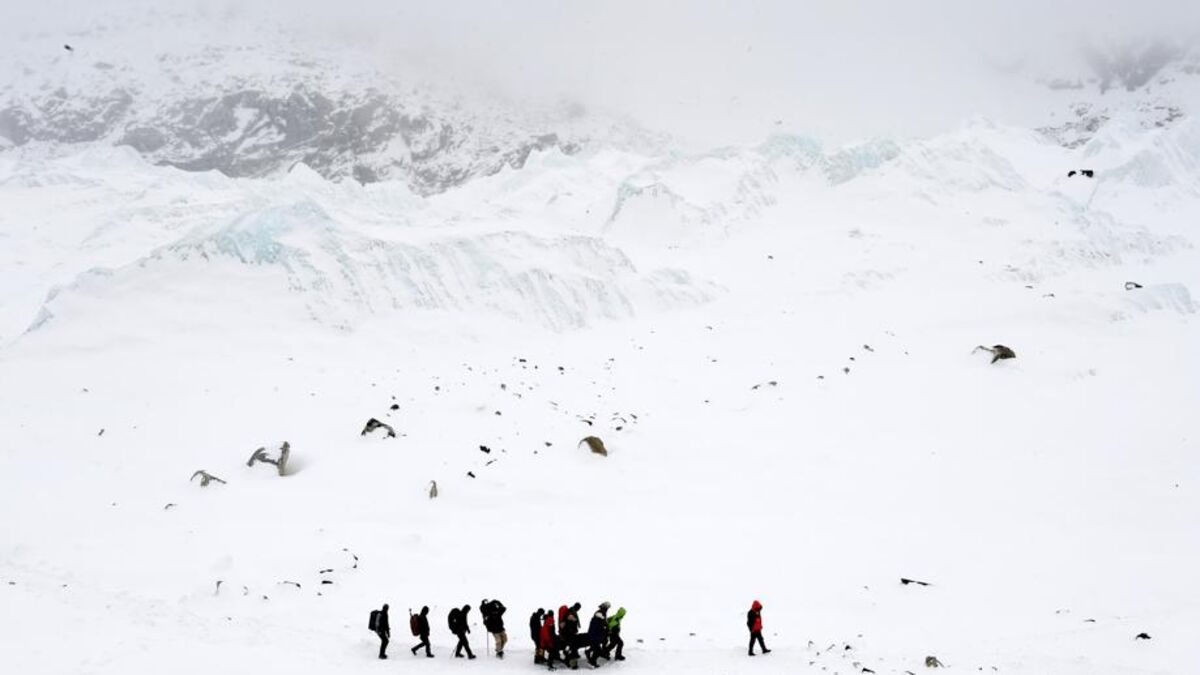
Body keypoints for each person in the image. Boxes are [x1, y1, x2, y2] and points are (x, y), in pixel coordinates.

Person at [585, 602, 610, 667]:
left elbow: (603, 624)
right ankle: (592, 662)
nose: (607, 609)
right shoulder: (599, 615)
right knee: (598, 650)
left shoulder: (601, 613)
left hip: (596, 635)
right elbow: (602, 624)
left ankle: (589, 652)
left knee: (598, 646)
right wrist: (606, 628)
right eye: (607, 607)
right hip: (595, 635)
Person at [560, 602, 582, 666]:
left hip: (570, 632)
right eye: (578, 608)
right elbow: (571, 622)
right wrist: (573, 629)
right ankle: (568, 661)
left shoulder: (572, 611)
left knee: (571, 646)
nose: (578, 609)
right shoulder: (570, 612)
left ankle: (571, 657)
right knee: (571, 647)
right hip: (569, 633)